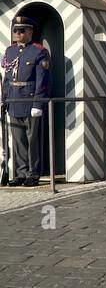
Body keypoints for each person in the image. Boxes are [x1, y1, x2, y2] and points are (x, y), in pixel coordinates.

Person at [1, 15, 50, 187]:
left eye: (22, 30)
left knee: (32, 140)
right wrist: (4, 99)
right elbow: (7, 78)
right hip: (14, 101)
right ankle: (21, 173)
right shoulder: (10, 51)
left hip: (30, 101)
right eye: (15, 30)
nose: (18, 33)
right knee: (18, 139)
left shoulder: (39, 51)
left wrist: (38, 104)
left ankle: (33, 173)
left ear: (30, 31)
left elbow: (42, 80)